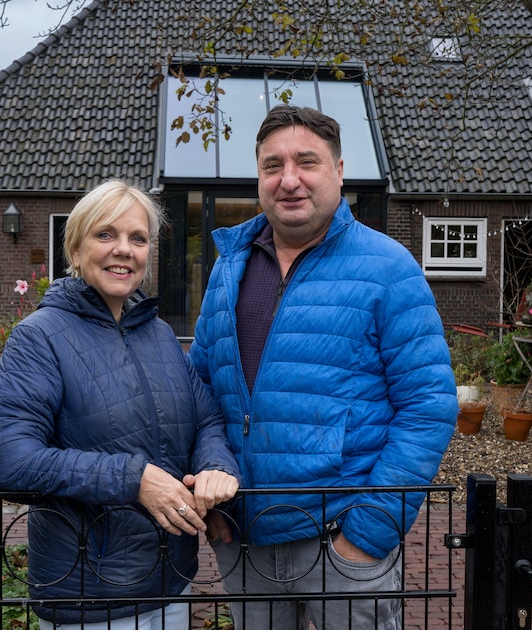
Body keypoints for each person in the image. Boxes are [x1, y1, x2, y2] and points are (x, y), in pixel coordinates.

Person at [189, 105, 458, 629]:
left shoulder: (388, 269)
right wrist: (215, 494)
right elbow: (200, 390)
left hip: (343, 544)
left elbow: (428, 407)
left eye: (306, 162)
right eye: (272, 166)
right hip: (247, 541)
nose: (288, 180)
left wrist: (369, 532)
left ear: (338, 171)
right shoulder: (229, 267)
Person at [0, 179, 241, 629]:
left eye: (137, 239)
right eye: (106, 235)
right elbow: (11, 461)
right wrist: (133, 479)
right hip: (89, 594)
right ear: (76, 250)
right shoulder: (39, 337)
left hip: (169, 581)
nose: (124, 249)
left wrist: (215, 466)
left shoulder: (159, 334)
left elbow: (206, 419)